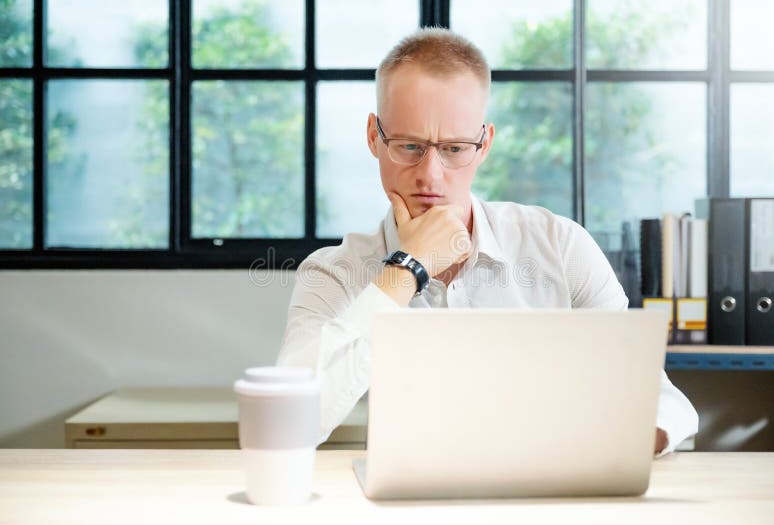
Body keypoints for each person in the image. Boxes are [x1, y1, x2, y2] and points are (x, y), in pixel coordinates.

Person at [277, 27, 698, 456]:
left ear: (484, 145)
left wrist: (613, 443)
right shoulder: (333, 272)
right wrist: (406, 269)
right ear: (373, 137)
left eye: (455, 149)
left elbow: (661, 399)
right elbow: (288, 425)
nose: (431, 175)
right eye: (408, 145)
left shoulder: (560, 246)